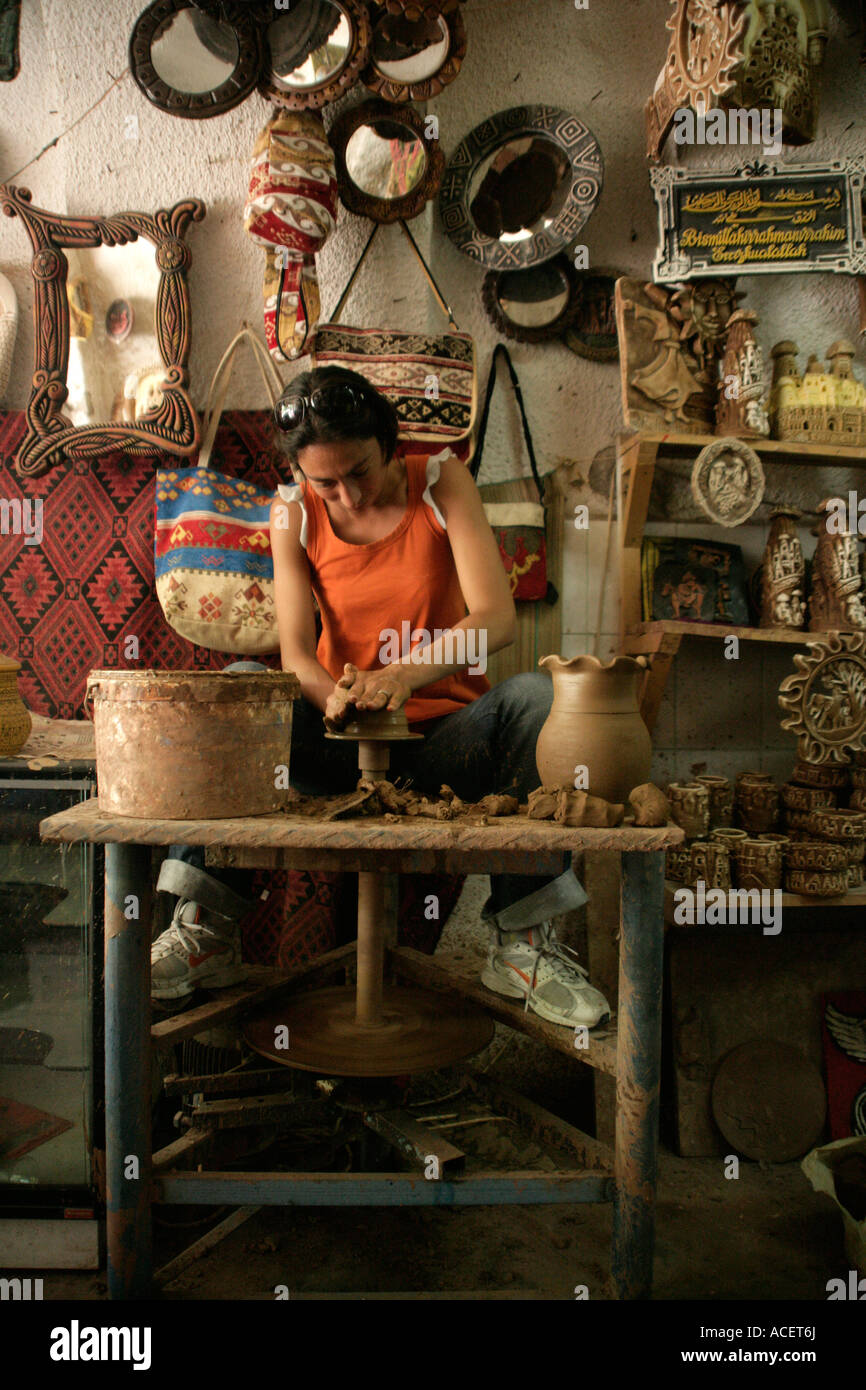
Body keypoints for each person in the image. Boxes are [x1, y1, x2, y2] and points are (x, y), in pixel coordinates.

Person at [150, 366, 610, 1028]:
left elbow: (495, 619)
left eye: (359, 471)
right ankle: (204, 930)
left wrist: (400, 677)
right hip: (340, 747)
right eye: (325, 482)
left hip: (441, 750)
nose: (348, 494)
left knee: (538, 697)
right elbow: (299, 657)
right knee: (242, 690)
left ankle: (525, 948)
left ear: (388, 443)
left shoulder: (440, 480)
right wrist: (334, 697)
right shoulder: (292, 513)